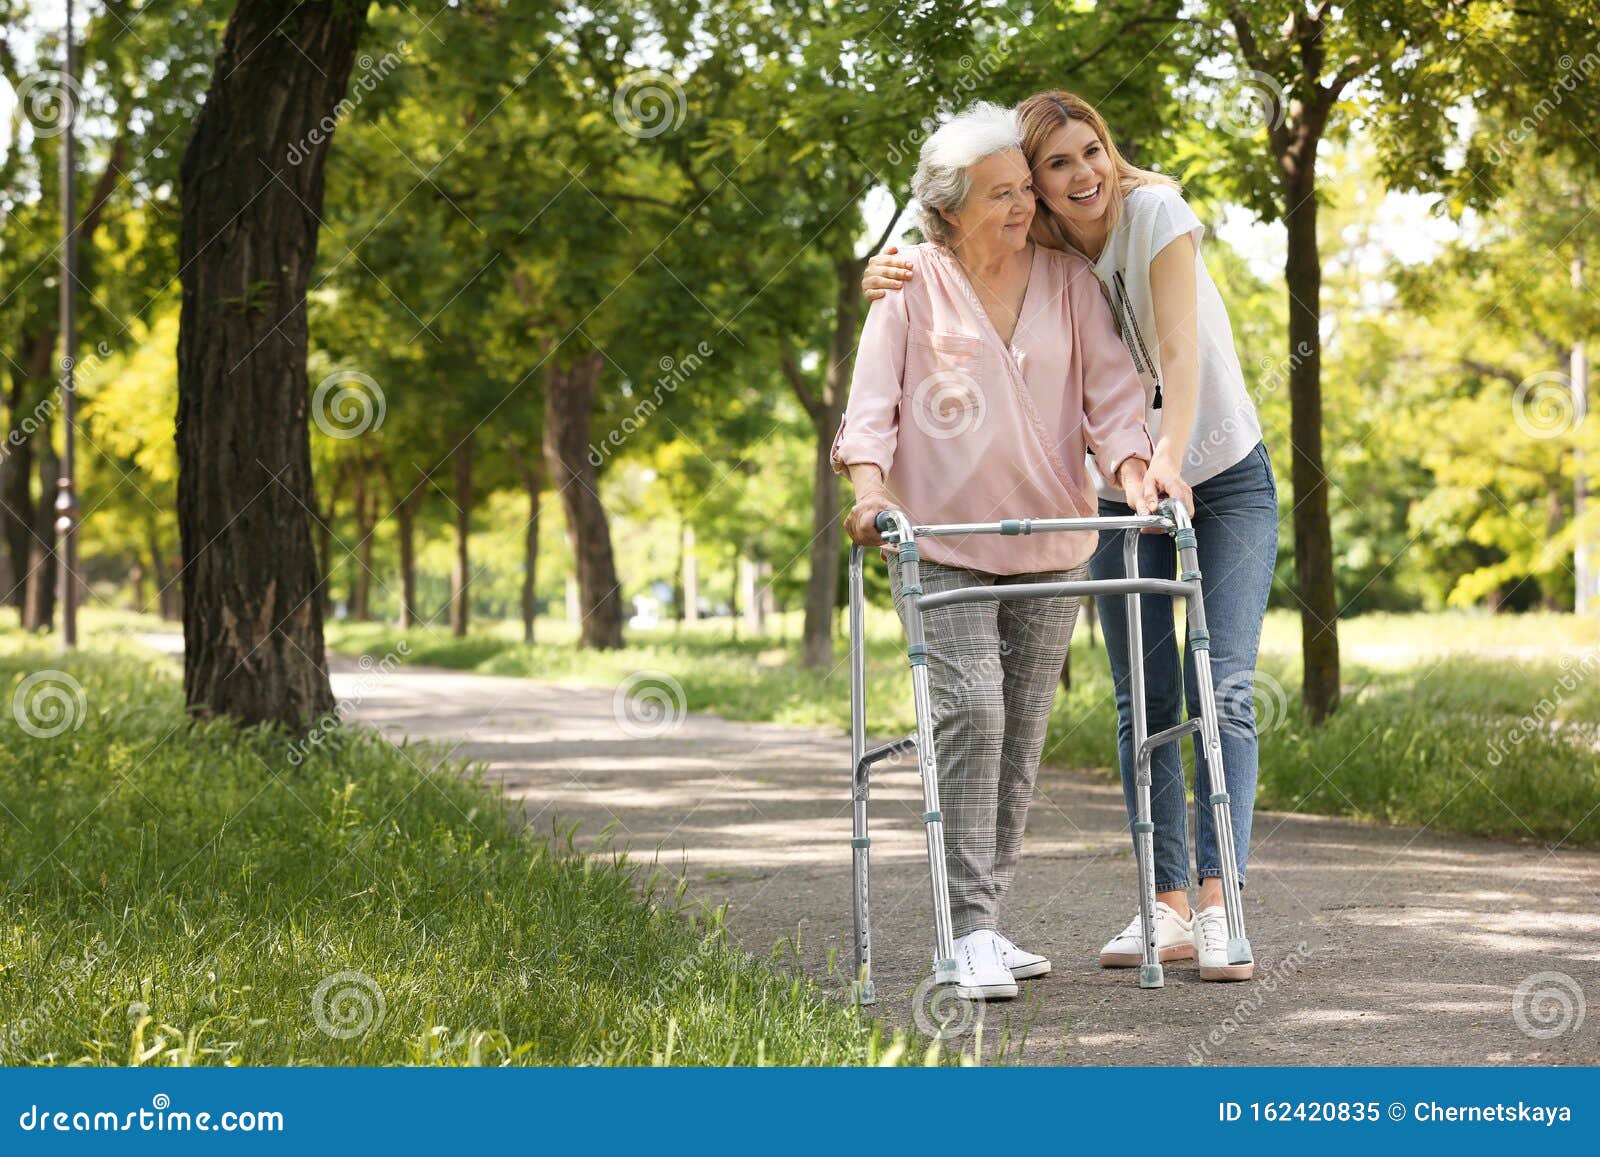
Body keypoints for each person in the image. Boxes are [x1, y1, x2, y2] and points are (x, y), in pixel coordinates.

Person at [862, 90, 1277, 982]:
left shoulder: (1154, 211)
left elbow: (1171, 358)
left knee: (1223, 686)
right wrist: (884, 268)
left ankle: (1220, 903)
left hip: (1213, 475)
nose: (1078, 175)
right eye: (1052, 168)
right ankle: (1164, 905)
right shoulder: (1037, 242)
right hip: (1124, 491)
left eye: (1089, 153)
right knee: (1142, 699)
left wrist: (1156, 463)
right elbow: (952, 227)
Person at [833, 101, 1153, 1000]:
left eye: (1025, 190)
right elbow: (872, 409)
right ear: (945, 213)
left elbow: (1113, 403)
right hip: (941, 542)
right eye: (1000, 195)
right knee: (972, 712)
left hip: (1053, 541)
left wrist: (1134, 469)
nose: (1022, 208)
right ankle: (963, 929)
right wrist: (869, 491)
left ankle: (982, 921)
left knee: (1019, 734)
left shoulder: (1068, 282)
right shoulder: (909, 284)